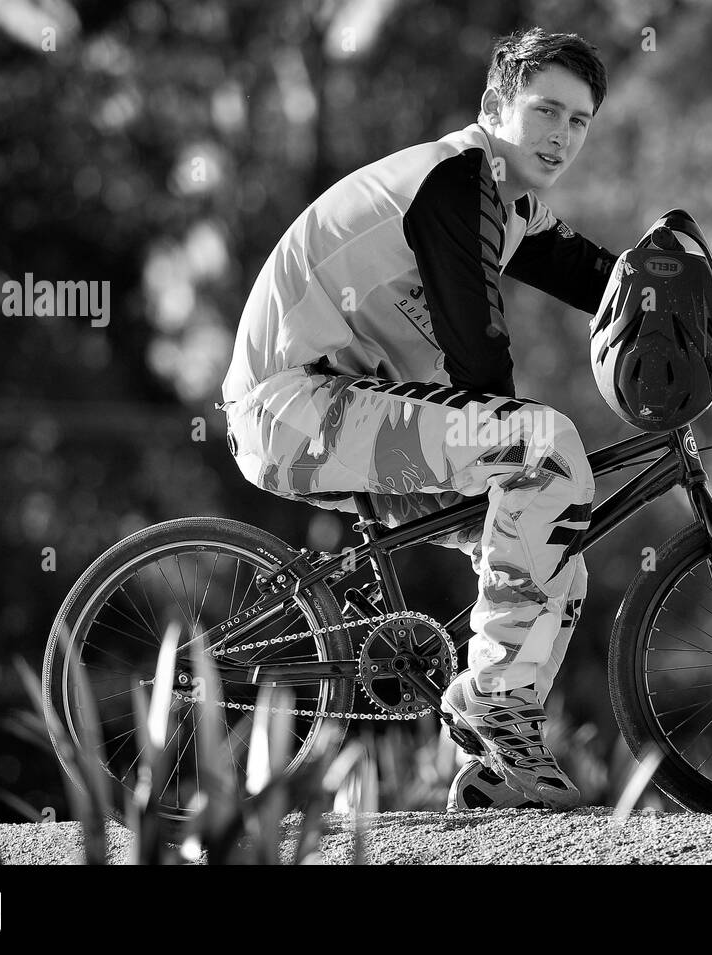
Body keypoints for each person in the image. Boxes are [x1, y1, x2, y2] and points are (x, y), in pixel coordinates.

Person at [219, 27, 617, 811]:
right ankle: (489, 699)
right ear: (492, 109)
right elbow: (479, 360)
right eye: (546, 110)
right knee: (540, 444)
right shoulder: (455, 181)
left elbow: (600, 277)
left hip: (340, 406)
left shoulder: (508, 203)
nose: (562, 136)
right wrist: (510, 442)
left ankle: (499, 765)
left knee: (557, 546)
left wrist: (701, 292)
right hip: (290, 407)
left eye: (579, 121)